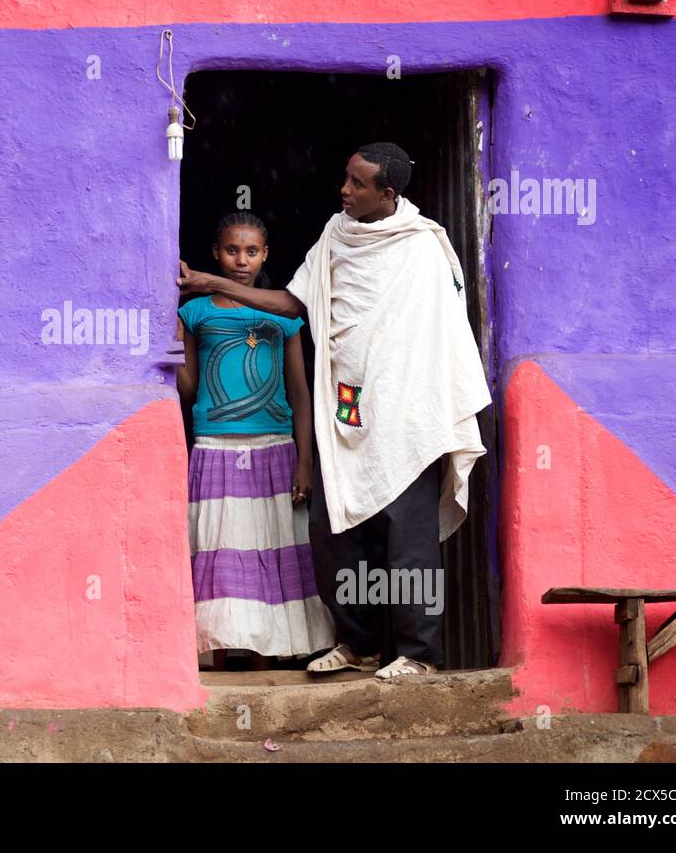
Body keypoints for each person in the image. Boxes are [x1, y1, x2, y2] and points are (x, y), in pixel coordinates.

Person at [178, 144, 491, 679]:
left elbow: (438, 334)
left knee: (408, 543)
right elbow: (295, 304)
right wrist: (212, 284)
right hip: (347, 408)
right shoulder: (335, 235)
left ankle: (419, 653)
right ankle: (358, 643)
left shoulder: (420, 247)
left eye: (357, 183)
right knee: (336, 532)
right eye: (345, 177)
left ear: (388, 194)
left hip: (407, 411)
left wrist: (214, 283)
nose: (344, 189)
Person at [177, 212, 336, 669]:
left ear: (265, 254)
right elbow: (188, 392)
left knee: (272, 555)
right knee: (221, 553)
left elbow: (301, 393)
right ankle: (224, 659)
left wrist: (304, 461)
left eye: (251, 251)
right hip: (215, 446)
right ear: (215, 252)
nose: (241, 260)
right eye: (231, 250)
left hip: (274, 448)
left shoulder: (281, 314)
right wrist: (169, 345)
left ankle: (268, 662)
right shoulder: (195, 312)